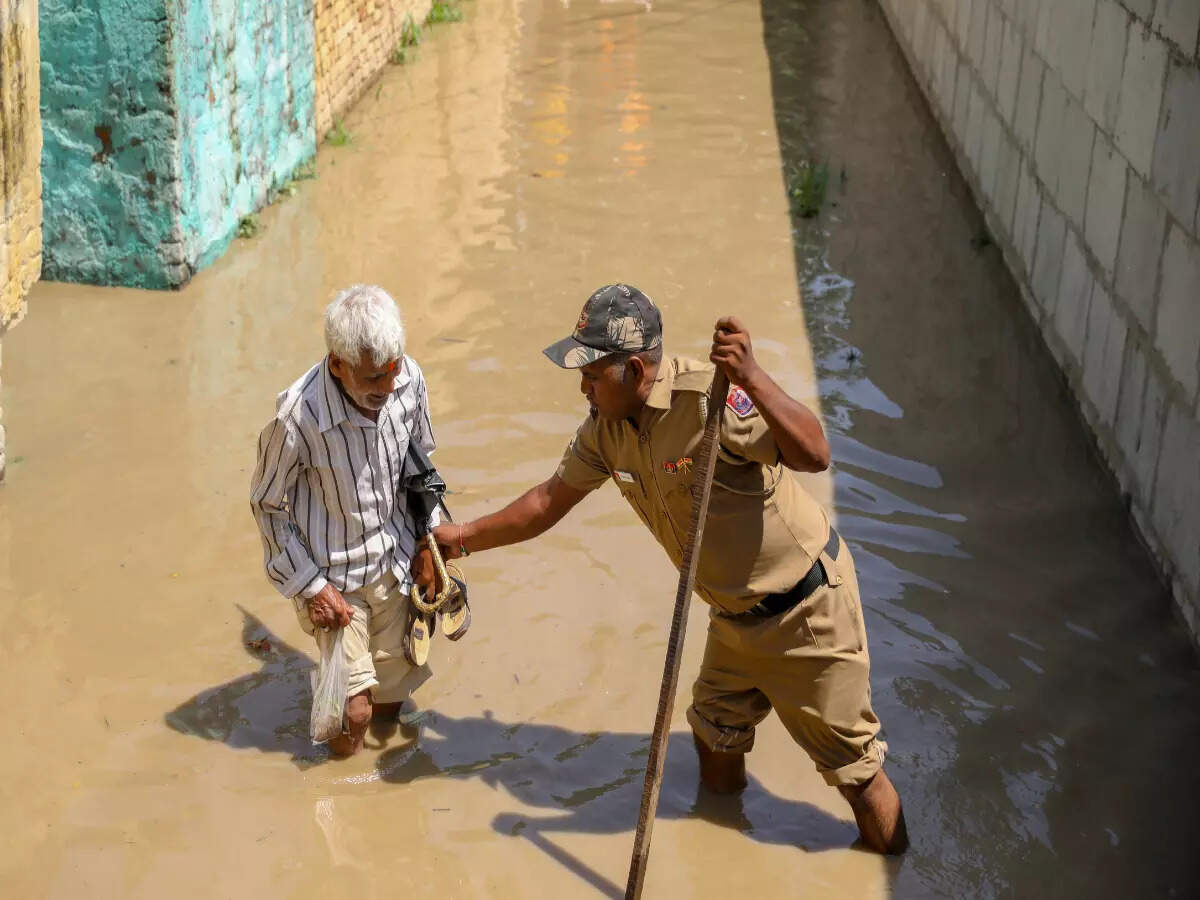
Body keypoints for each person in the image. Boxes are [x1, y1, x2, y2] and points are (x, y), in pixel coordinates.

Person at [428, 283, 907, 853]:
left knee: (854, 772)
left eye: (591, 373)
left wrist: (753, 376)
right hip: (733, 615)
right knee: (715, 735)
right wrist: (454, 541)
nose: (581, 386)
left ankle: (890, 866)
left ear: (634, 369)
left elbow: (813, 454)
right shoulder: (605, 430)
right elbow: (546, 503)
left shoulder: (710, 400)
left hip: (804, 609)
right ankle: (727, 853)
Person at [250, 284, 445, 757]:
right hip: (335, 582)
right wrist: (311, 587)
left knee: (391, 702)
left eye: (393, 370)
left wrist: (429, 543)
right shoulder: (296, 417)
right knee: (352, 714)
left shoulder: (409, 380)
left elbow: (422, 465)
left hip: (396, 564)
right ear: (337, 364)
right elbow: (266, 505)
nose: (388, 387)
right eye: (374, 377)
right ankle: (332, 800)